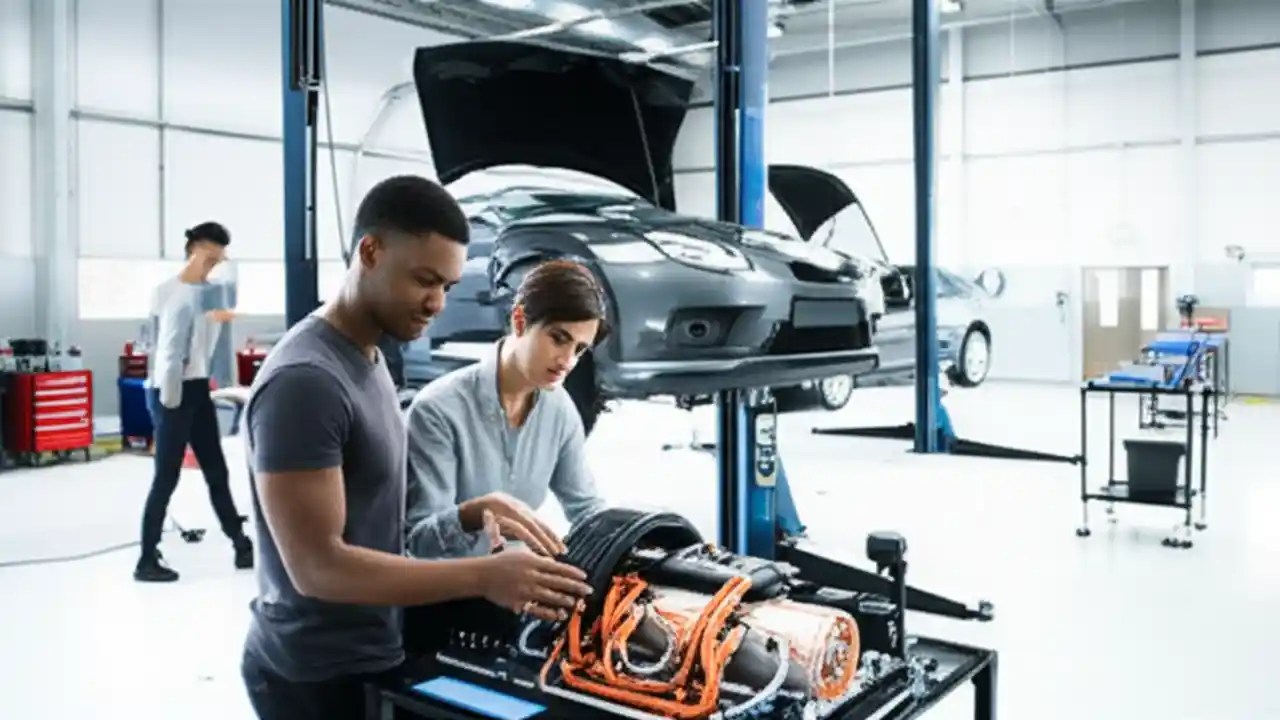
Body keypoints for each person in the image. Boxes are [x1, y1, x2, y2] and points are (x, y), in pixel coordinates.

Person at [239, 176, 592, 720]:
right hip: (313, 676)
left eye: (448, 286)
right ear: (371, 251)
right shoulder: (306, 382)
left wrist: (473, 512)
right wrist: (482, 575)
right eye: (425, 280)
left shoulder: (372, 358)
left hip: (375, 651)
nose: (437, 304)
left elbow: (381, 520)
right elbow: (317, 568)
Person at [404, 259, 609, 560]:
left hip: (515, 588)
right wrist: (475, 514)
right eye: (558, 338)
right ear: (520, 321)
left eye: (579, 349)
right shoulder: (438, 410)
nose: (567, 361)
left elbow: (587, 509)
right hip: (445, 594)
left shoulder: (559, 409)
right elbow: (420, 542)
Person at [135, 221, 251, 583]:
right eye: (211, 256)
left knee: (216, 469)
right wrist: (170, 401)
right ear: (196, 249)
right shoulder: (174, 293)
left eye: (219, 259)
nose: (216, 264)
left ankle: (239, 541)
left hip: (196, 387)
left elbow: (208, 343)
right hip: (173, 390)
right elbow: (166, 350)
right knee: (166, 476)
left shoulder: (209, 293)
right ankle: (146, 559)